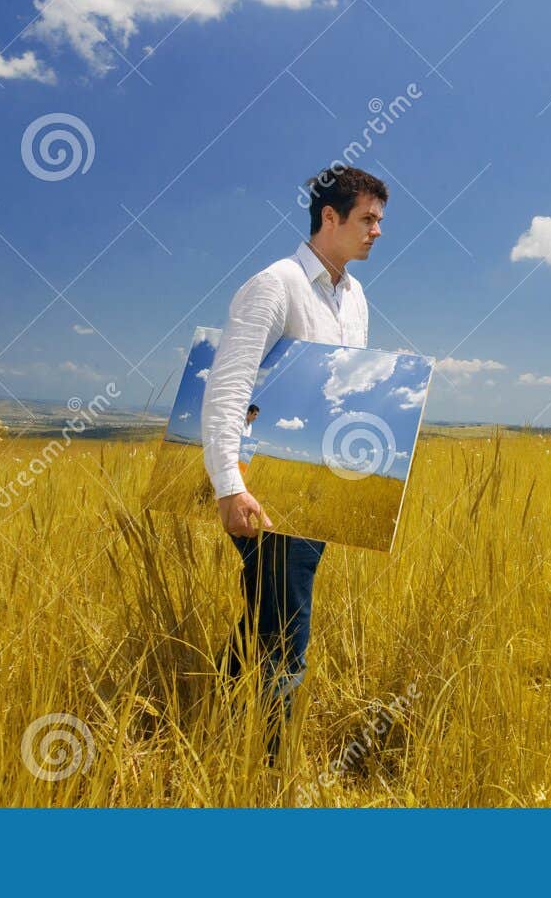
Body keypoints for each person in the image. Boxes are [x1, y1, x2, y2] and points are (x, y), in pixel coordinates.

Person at [200, 164, 386, 758]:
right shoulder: (274, 284)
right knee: (287, 629)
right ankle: (268, 765)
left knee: (268, 610)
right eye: (367, 219)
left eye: (380, 221)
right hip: (265, 486)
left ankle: (224, 731)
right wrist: (229, 485)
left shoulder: (356, 298)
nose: (377, 231)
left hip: (319, 484)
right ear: (329, 218)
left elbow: (344, 393)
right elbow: (226, 388)